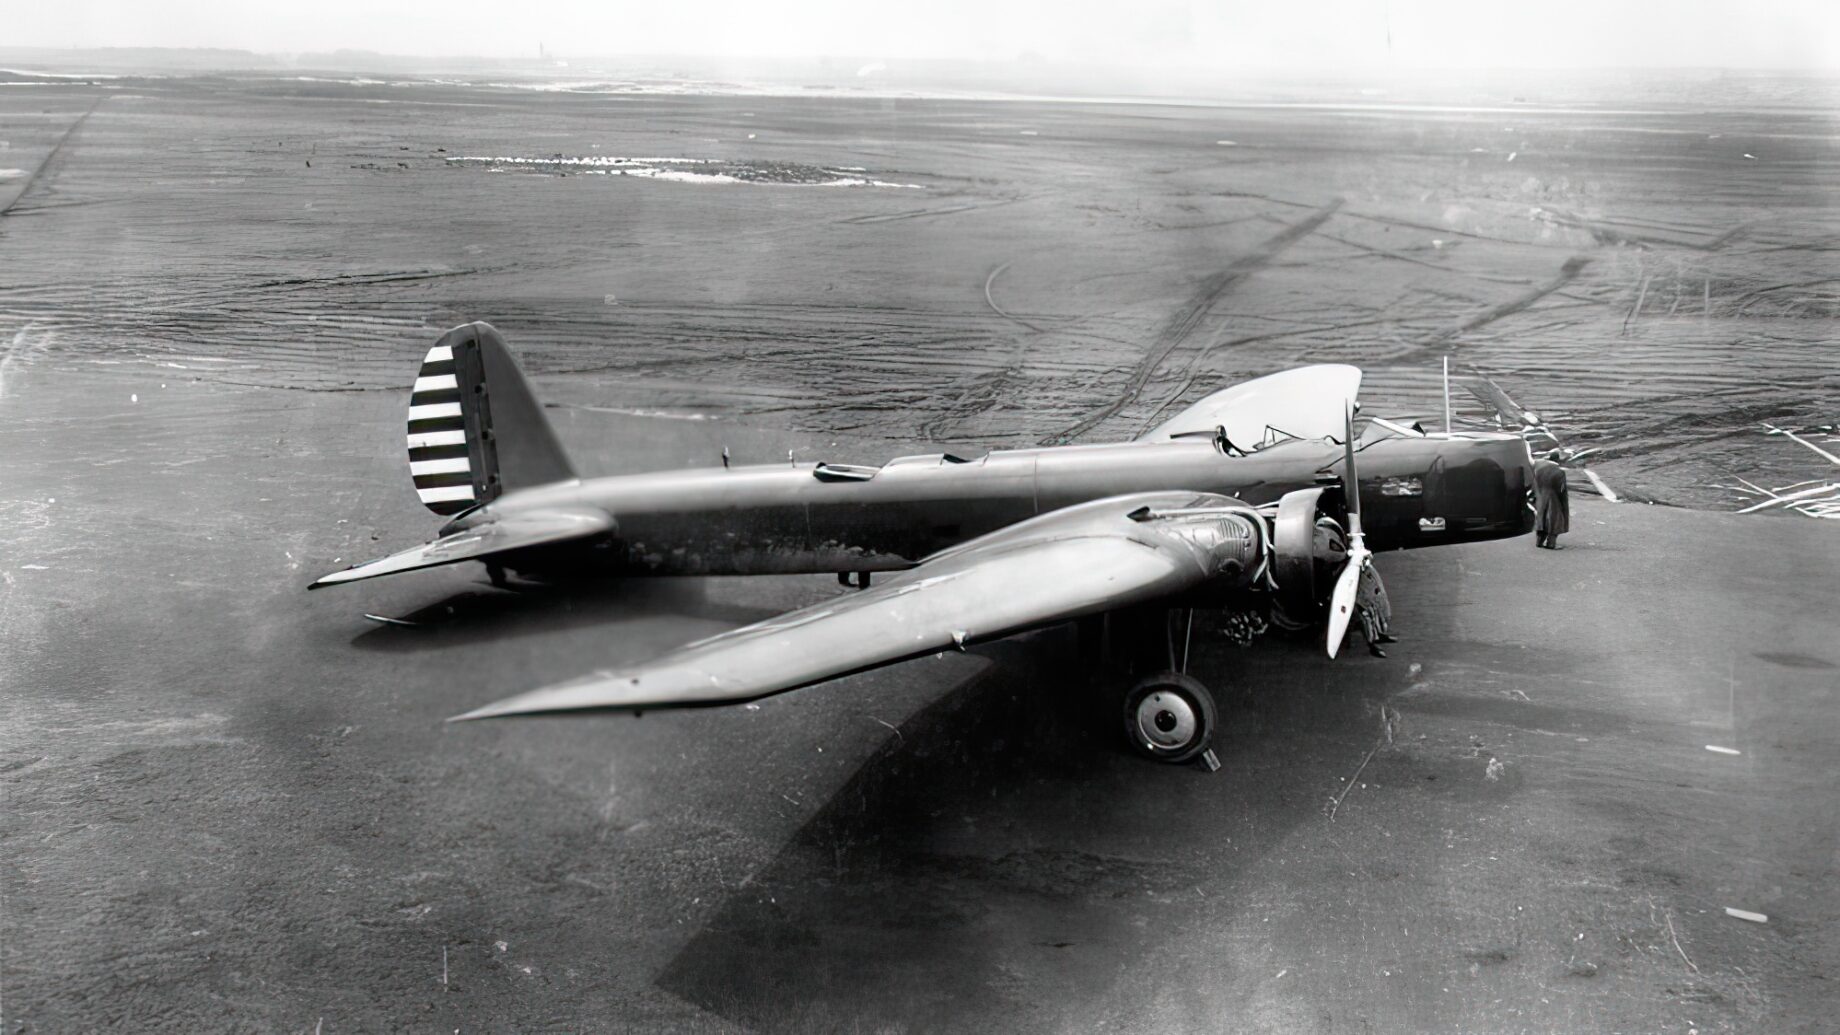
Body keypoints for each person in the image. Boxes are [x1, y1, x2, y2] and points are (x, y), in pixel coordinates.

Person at [1533, 449, 1570, 549]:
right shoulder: (1559, 472)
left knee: (1542, 519)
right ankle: (1551, 543)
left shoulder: (1540, 470)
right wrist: (1563, 504)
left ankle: (1539, 541)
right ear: (1558, 460)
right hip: (1553, 498)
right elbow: (1561, 490)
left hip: (1541, 497)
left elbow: (1534, 484)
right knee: (1554, 520)